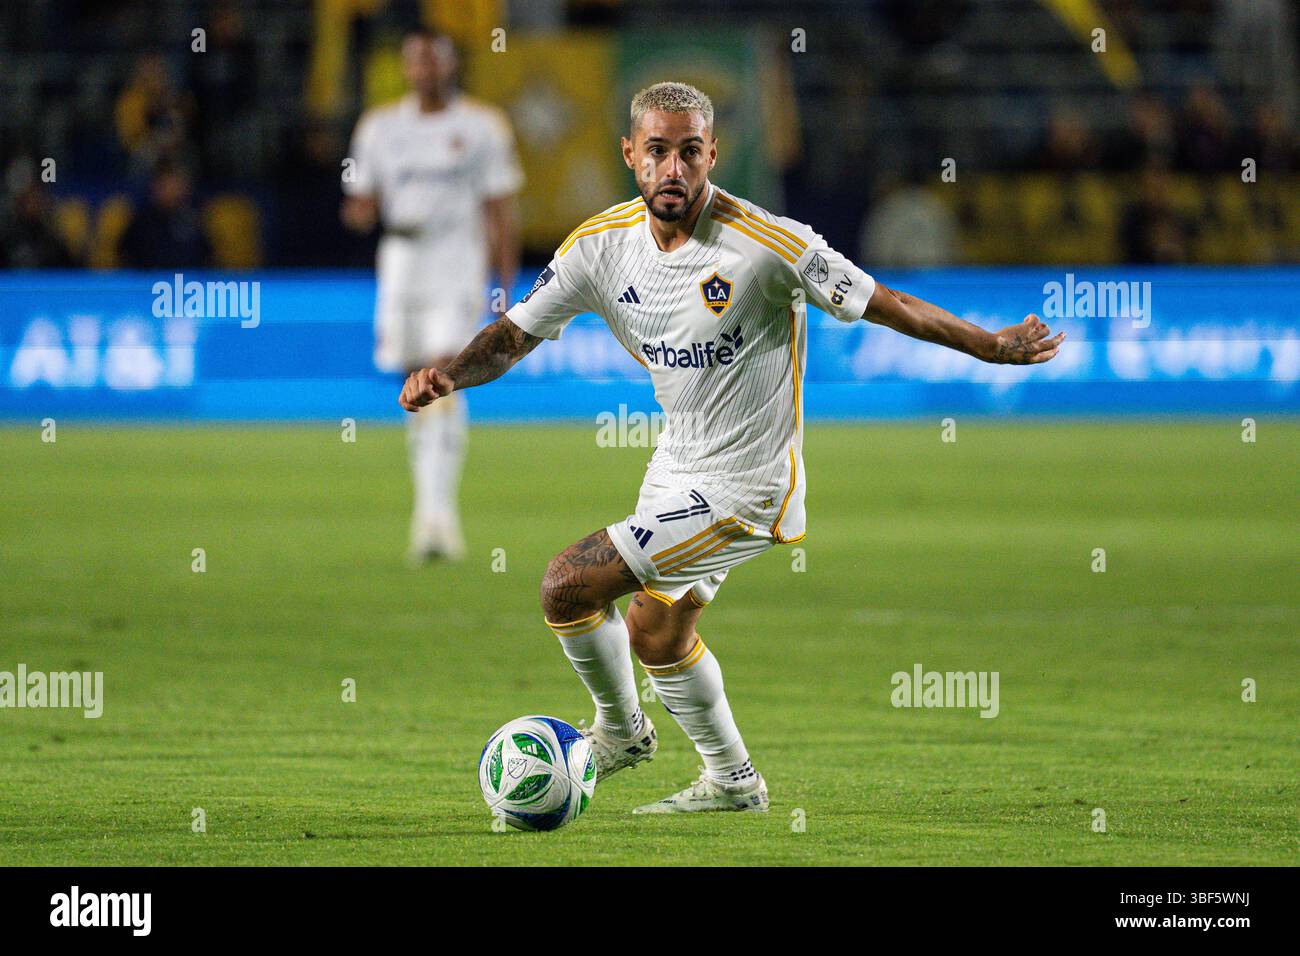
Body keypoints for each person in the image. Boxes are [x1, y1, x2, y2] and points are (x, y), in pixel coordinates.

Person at [398, 82, 1064, 813]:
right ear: (631, 156)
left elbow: (887, 302)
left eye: (689, 151)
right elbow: (513, 334)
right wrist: (449, 375)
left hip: (749, 485)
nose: (673, 168)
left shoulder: (769, 242)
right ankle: (734, 783)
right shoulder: (598, 249)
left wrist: (989, 345)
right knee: (656, 631)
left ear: (713, 153)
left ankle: (620, 734)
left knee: (566, 583)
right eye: (657, 151)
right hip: (675, 469)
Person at [343, 28, 523, 562]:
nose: (425, 69)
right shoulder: (378, 128)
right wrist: (357, 212)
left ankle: (437, 517)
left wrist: (505, 284)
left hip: (457, 258)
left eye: (434, 59)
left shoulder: (483, 126)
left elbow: (501, 208)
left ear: (451, 65)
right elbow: (360, 196)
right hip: (401, 259)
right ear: (405, 67)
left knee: (444, 372)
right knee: (414, 381)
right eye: (415, 59)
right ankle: (430, 508)